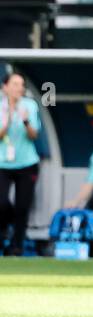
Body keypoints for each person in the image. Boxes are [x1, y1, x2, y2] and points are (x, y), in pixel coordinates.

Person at [0, 72, 42, 256]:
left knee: (22, 206)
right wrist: (8, 118)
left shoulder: (30, 106)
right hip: (3, 163)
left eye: (22, 84)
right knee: (1, 203)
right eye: (15, 84)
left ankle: (17, 246)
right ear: (5, 87)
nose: (20, 88)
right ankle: (4, 232)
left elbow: (34, 135)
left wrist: (25, 120)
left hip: (27, 163)